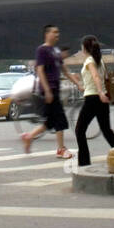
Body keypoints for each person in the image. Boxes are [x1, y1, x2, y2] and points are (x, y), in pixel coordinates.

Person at [19, 24, 82, 158]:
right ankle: (61, 149)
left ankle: (29, 136)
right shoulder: (42, 50)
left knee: (51, 122)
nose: (57, 35)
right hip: (48, 90)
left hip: (55, 89)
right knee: (59, 119)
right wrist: (47, 90)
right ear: (47, 34)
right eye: (54, 32)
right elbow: (40, 70)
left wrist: (77, 83)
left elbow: (64, 70)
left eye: (58, 32)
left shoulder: (56, 51)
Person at [75, 34, 114, 167]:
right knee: (107, 130)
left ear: (84, 48)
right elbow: (101, 78)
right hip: (101, 98)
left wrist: (100, 92)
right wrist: (90, 88)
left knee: (80, 130)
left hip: (93, 98)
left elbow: (96, 76)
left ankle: (84, 163)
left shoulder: (89, 60)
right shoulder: (100, 60)